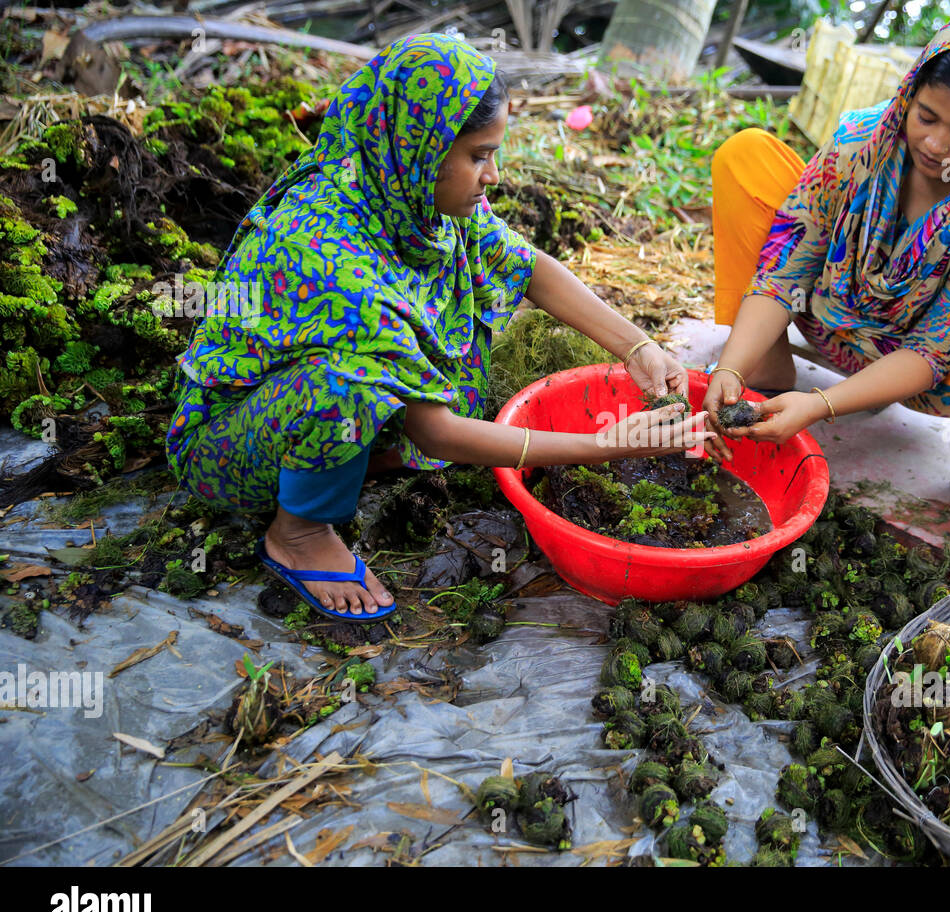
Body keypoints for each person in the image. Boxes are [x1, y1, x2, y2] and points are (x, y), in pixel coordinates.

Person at [166, 34, 715, 622]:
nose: (494, 176)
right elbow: (435, 432)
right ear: (420, 147)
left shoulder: (402, 189)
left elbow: (526, 265)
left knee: (440, 376)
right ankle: (298, 532)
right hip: (227, 441)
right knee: (349, 391)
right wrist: (604, 446)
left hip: (289, 399)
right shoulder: (327, 252)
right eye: (479, 156)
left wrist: (638, 346)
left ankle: (348, 460)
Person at [702, 12, 950, 570]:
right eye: (926, 116)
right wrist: (729, 370)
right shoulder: (860, 142)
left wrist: (819, 406)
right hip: (832, 322)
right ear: (908, 93)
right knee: (748, 157)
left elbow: (934, 351)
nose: (934, 145)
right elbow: (786, 263)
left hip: (941, 376)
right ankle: (765, 365)